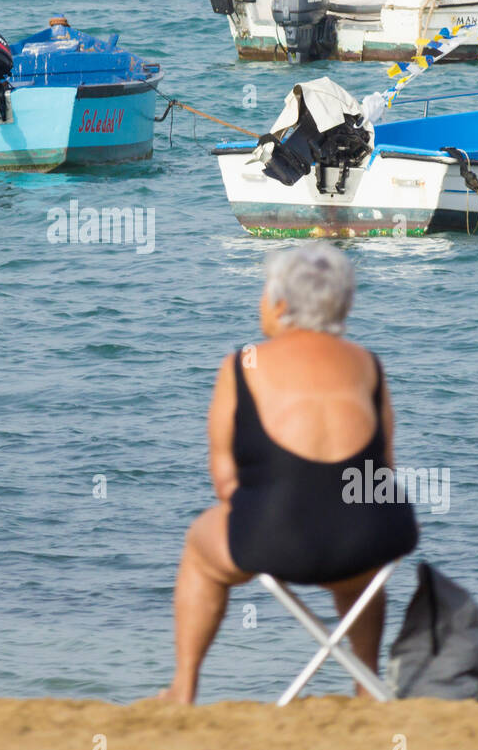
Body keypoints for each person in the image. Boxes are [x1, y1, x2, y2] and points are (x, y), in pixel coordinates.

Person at [162, 242, 418, 703]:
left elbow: (225, 482)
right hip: (369, 540)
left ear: (280, 305)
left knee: (200, 550)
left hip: (275, 540)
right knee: (359, 565)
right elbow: (384, 470)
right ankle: (366, 688)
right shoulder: (368, 365)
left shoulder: (243, 366)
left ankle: (183, 690)